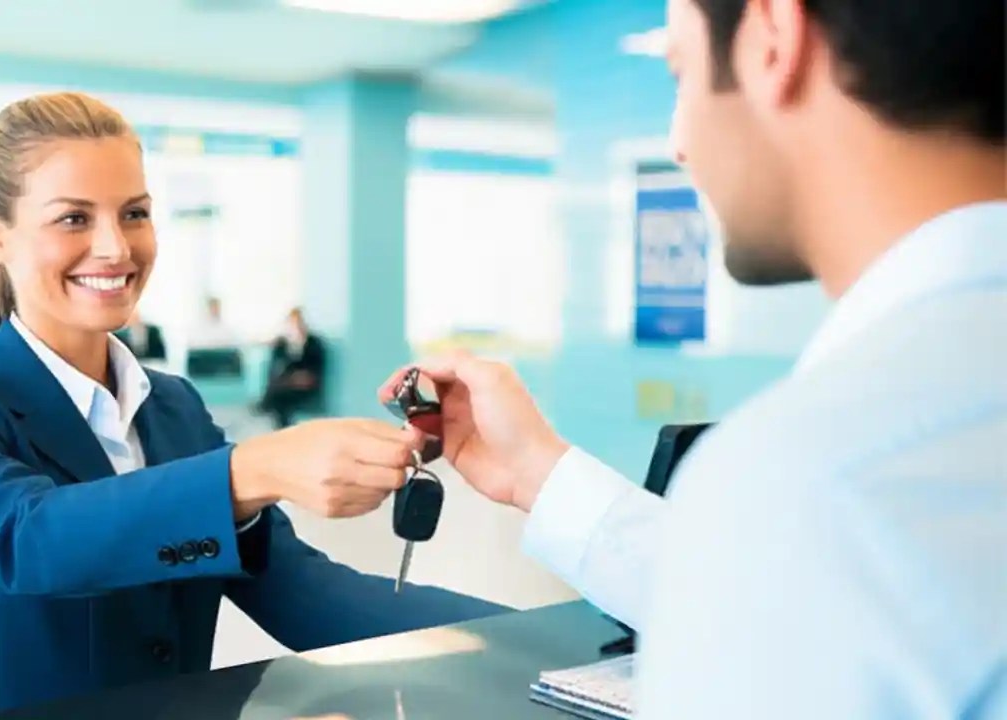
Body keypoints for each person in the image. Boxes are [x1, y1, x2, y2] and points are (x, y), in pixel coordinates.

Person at [380, 0, 1005, 718]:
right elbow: (786, 606)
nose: (679, 143)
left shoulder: (818, 480)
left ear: (773, 38)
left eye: (679, 72)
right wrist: (537, 473)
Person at [0, 92, 506, 720]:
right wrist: (251, 471)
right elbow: (31, 541)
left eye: (134, 213)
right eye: (73, 218)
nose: (115, 247)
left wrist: (528, 636)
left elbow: (304, 594)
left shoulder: (174, 408)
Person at [258, 308, 326, 428]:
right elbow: (276, 367)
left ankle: (267, 406)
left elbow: (315, 371)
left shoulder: (313, 343)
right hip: (287, 382)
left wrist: (302, 378)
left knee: (279, 397)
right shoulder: (282, 344)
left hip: (304, 387)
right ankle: (280, 423)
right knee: (279, 392)